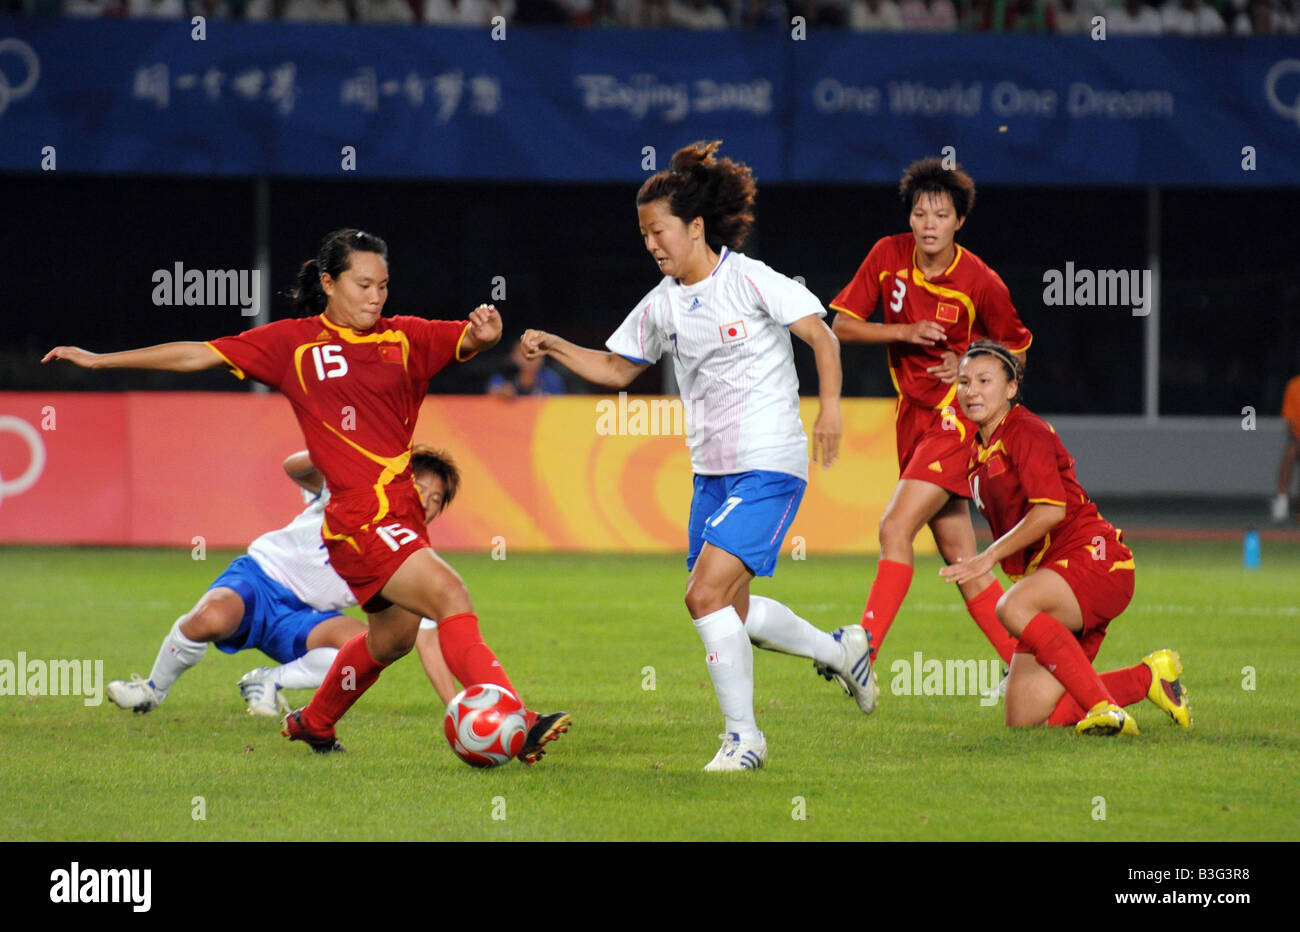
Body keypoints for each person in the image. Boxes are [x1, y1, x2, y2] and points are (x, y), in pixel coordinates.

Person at [44, 228, 569, 761]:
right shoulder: (292, 344)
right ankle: (516, 719)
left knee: (392, 640)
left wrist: (486, 331)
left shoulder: (404, 338)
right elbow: (196, 355)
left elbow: (468, 341)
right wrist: (101, 360)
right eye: (363, 284)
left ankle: (314, 722)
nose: (375, 296)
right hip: (360, 519)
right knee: (451, 594)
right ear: (328, 282)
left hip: (402, 516)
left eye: (383, 285)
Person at [521, 140, 871, 772]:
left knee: (702, 596)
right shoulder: (662, 302)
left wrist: (832, 410)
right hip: (710, 473)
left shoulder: (751, 279)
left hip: (769, 463)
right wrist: (553, 345)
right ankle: (841, 649)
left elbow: (821, 334)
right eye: (644, 234)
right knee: (730, 611)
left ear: (695, 227)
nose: (652, 244)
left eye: (659, 231)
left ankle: (745, 740)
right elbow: (616, 366)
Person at [827, 157, 1033, 709]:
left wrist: (969, 360)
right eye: (920, 212)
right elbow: (841, 325)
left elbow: (1017, 345)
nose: (928, 223)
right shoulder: (887, 255)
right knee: (962, 558)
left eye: (941, 214)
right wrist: (904, 330)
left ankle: (864, 650)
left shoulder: (980, 280)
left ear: (958, 221)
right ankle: (1028, 666)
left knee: (895, 526)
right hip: (911, 417)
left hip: (957, 417)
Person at [939, 342, 1191, 734]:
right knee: (1026, 719)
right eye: (964, 382)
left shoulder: (1027, 430)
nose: (971, 391)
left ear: (1010, 388)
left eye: (984, 380)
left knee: (1011, 607)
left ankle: (1105, 708)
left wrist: (987, 557)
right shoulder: (977, 454)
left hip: (1098, 561)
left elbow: (1051, 510)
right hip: (1058, 578)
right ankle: (1148, 678)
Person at [103, 446, 462, 719]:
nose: (426, 503)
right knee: (208, 621)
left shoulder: (411, 557)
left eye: (436, 499)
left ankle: (269, 680)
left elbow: (425, 638)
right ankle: (152, 689)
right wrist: (340, 451)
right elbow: (294, 467)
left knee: (362, 649)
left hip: (304, 619)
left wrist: (456, 710)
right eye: (420, 488)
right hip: (259, 579)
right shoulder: (352, 492)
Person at [486, 338, 568, 397]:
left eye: (534, 352)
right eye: (522, 353)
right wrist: (500, 394)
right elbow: (490, 394)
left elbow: (561, 405)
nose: (529, 358)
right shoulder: (502, 376)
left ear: (542, 357)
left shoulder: (552, 379)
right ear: (512, 357)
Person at [1271, 372, 1300, 523]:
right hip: (1297, 439)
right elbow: (1289, 418)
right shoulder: (1294, 385)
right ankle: (1281, 503)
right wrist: (1296, 437)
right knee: (1290, 454)